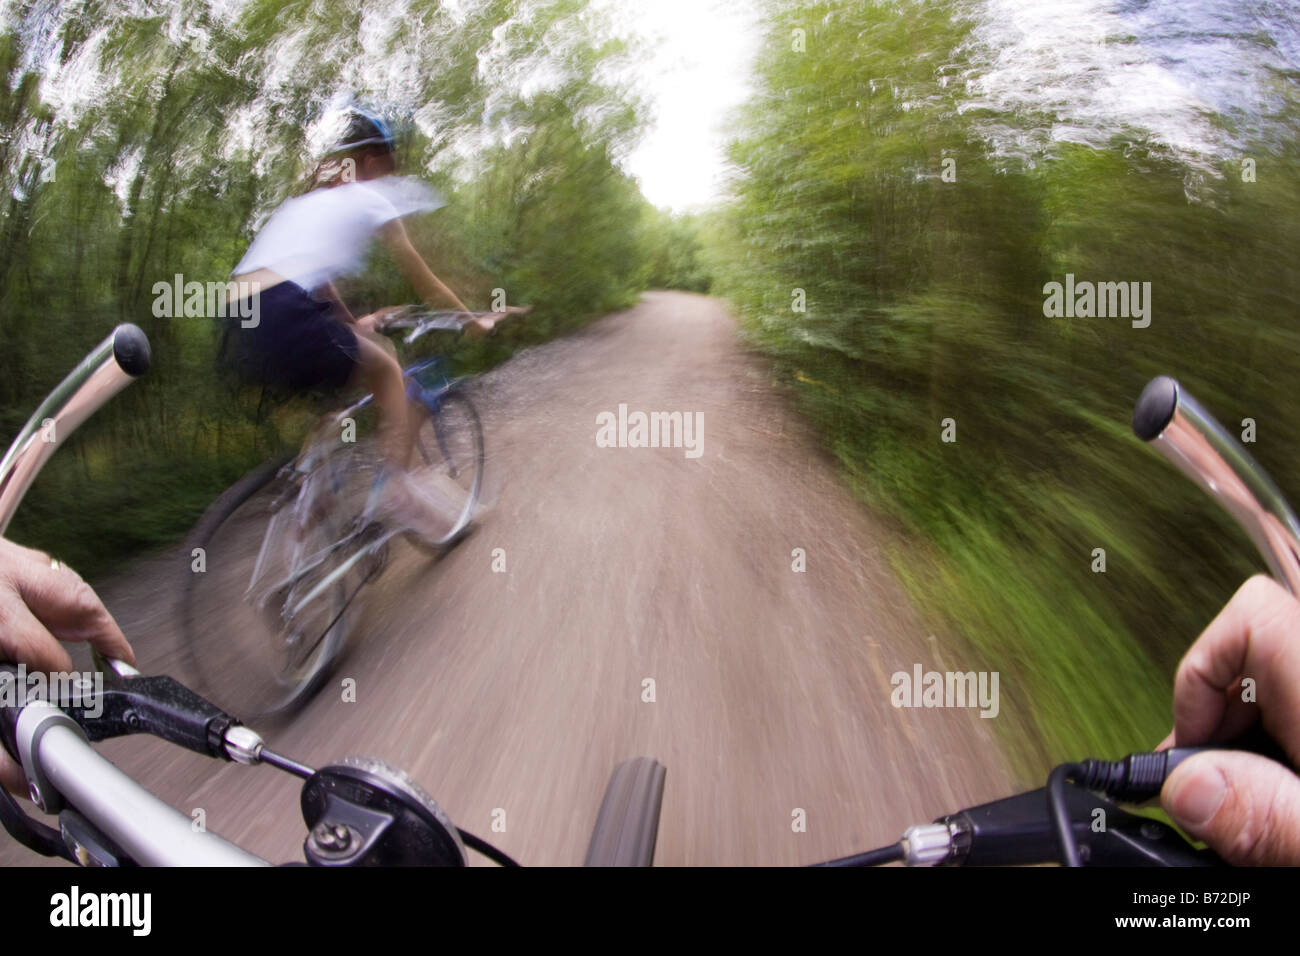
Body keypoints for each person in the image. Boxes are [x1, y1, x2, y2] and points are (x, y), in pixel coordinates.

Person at [219, 107, 476, 536]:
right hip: (283, 310)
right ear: (372, 161)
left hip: (237, 322)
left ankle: (308, 497)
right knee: (388, 366)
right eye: (388, 166)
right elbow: (423, 277)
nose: (387, 176)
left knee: (336, 400)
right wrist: (472, 321)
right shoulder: (367, 197)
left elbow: (321, 290)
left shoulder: (304, 204)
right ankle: (400, 493)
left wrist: (354, 324)